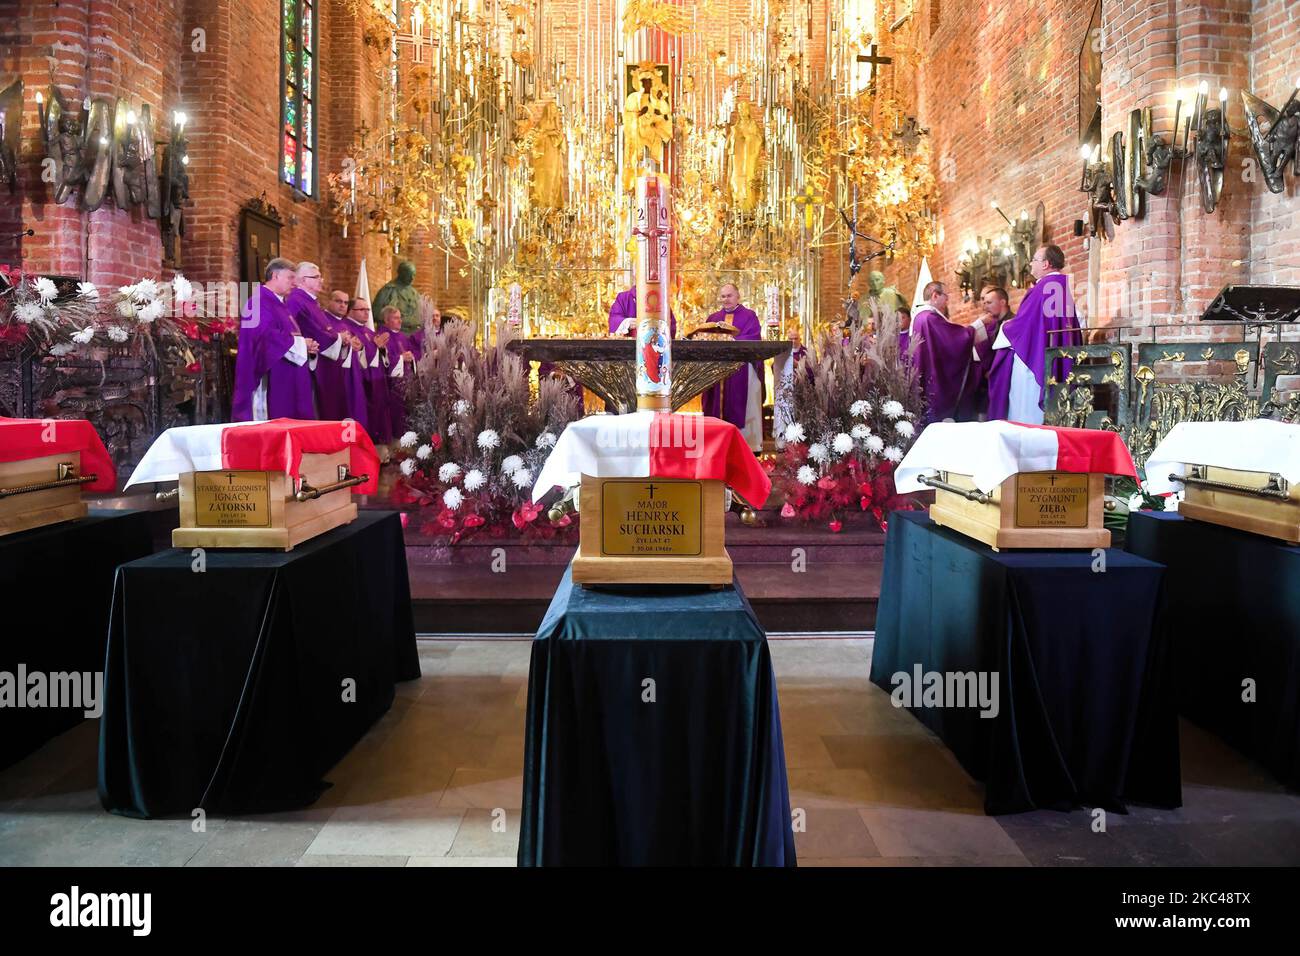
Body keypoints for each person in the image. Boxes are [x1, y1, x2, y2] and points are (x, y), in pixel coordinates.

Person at [987, 244, 1083, 424]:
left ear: (1046, 264)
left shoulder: (1042, 288)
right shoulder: (1061, 286)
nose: (1031, 264)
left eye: (1034, 260)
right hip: (1052, 354)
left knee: (1026, 411)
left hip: (1034, 358)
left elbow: (1024, 325)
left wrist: (1006, 326)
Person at [232, 257, 317, 421]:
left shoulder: (280, 304)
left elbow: (288, 334)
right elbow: (264, 336)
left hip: (288, 370)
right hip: (271, 374)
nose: (294, 283)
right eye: (290, 278)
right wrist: (301, 344)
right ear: (275, 276)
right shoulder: (257, 302)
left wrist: (306, 346)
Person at [287, 262, 369, 429]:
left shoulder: (312, 302)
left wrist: (340, 340)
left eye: (320, 277)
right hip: (310, 363)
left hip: (324, 362)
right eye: (316, 277)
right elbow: (312, 330)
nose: (321, 280)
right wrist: (338, 338)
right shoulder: (297, 300)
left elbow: (323, 330)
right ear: (302, 280)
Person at [908, 280, 986, 424]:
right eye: (946, 296)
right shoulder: (929, 318)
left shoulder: (921, 317)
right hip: (934, 381)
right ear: (935, 296)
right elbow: (953, 341)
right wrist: (977, 327)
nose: (947, 301)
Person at [700, 283, 763, 451]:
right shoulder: (713, 318)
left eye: (729, 296)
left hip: (740, 370)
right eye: (723, 296)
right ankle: (714, 443)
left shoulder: (749, 316)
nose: (725, 300)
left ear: (737, 296)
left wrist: (733, 341)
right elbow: (704, 338)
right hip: (716, 371)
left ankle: (743, 446)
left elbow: (754, 336)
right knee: (714, 405)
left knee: (740, 404)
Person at [344, 298, 393, 444]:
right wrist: (374, 346)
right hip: (361, 381)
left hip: (376, 380)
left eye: (368, 310)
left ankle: (378, 447)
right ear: (350, 311)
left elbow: (382, 357)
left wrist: (382, 349)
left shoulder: (369, 332)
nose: (366, 313)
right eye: (362, 310)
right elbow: (359, 356)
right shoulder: (347, 329)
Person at [969, 286, 1014, 419]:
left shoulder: (1013, 322)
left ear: (1002, 302)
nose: (985, 307)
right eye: (984, 302)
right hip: (990, 381)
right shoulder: (991, 324)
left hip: (1007, 380)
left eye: (989, 303)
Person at [377, 305, 418, 440]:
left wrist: (410, 358)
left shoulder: (402, 336)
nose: (400, 321)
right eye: (395, 318)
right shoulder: (383, 335)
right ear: (386, 320)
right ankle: (396, 441)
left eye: (400, 318)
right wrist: (401, 358)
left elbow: (411, 354)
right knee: (395, 413)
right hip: (391, 383)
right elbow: (384, 359)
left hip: (405, 382)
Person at [608, 283, 676, 338]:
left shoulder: (659, 298)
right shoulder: (623, 297)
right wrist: (629, 322)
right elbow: (614, 319)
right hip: (629, 345)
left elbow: (670, 324)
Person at [372, 260, 422, 334]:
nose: (412, 278)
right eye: (409, 275)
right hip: (393, 334)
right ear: (401, 273)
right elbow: (376, 313)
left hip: (414, 334)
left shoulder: (415, 293)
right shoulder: (388, 290)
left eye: (414, 275)